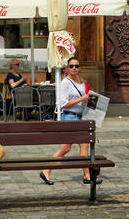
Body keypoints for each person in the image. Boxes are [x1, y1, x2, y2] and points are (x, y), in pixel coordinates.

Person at [39, 57, 96, 185]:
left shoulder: (81, 81)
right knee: (65, 148)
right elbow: (63, 104)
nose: (74, 68)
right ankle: (46, 170)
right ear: (67, 68)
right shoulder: (65, 83)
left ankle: (87, 176)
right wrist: (81, 99)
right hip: (69, 117)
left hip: (80, 117)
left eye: (77, 66)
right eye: (71, 66)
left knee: (84, 145)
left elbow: (84, 97)